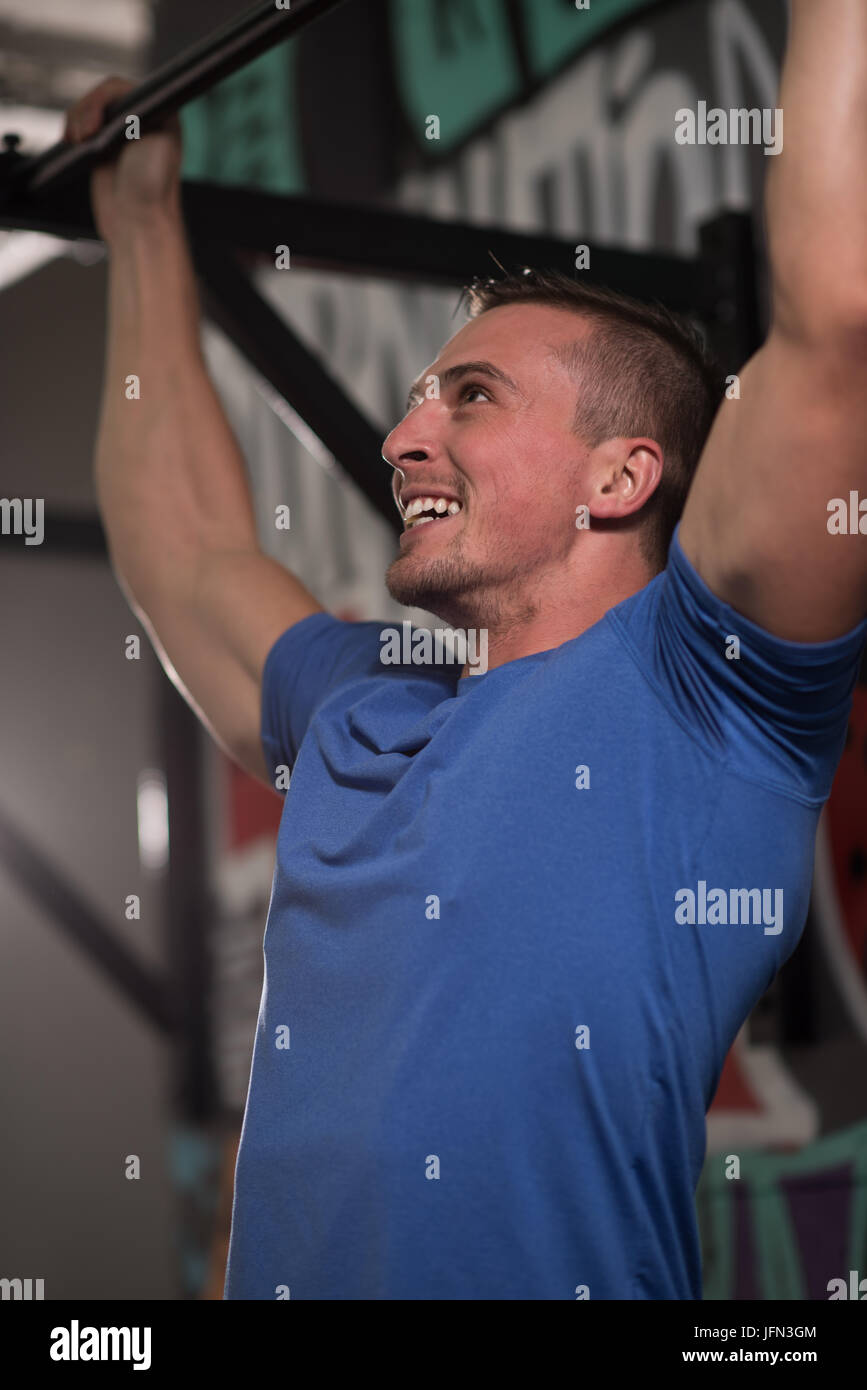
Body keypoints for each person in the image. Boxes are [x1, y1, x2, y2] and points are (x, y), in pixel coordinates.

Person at [67, 0, 867, 1299]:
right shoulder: (361, 711)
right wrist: (143, 226)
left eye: (472, 397)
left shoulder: (702, 700)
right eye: (417, 399)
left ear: (622, 475)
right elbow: (190, 557)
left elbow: (838, 320)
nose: (399, 441)